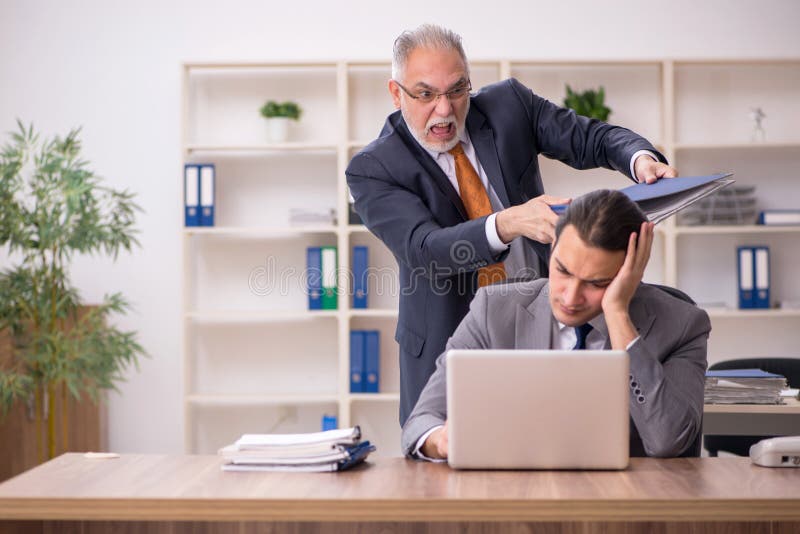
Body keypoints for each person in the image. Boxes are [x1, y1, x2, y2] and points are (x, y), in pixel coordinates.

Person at [346, 24, 678, 426]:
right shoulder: (374, 169)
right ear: (396, 93)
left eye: (457, 90)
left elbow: (590, 138)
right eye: (426, 94)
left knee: (551, 445)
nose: (445, 109)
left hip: (541, 323)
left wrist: (639, 158)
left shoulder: (509, 106)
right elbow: (425, 250)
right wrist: (507, 222)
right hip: (448, 341)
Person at [402, 189, 710, 460]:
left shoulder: (682, 326)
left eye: (596, 282)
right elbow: (421, 419)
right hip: (514, 500)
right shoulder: (493, 311)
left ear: (631, 274)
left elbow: (668, 441)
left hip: (622, 506)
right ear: (552, 249)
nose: (570, 296)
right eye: (563, 270)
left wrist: (617, 314)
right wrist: (441, 441)